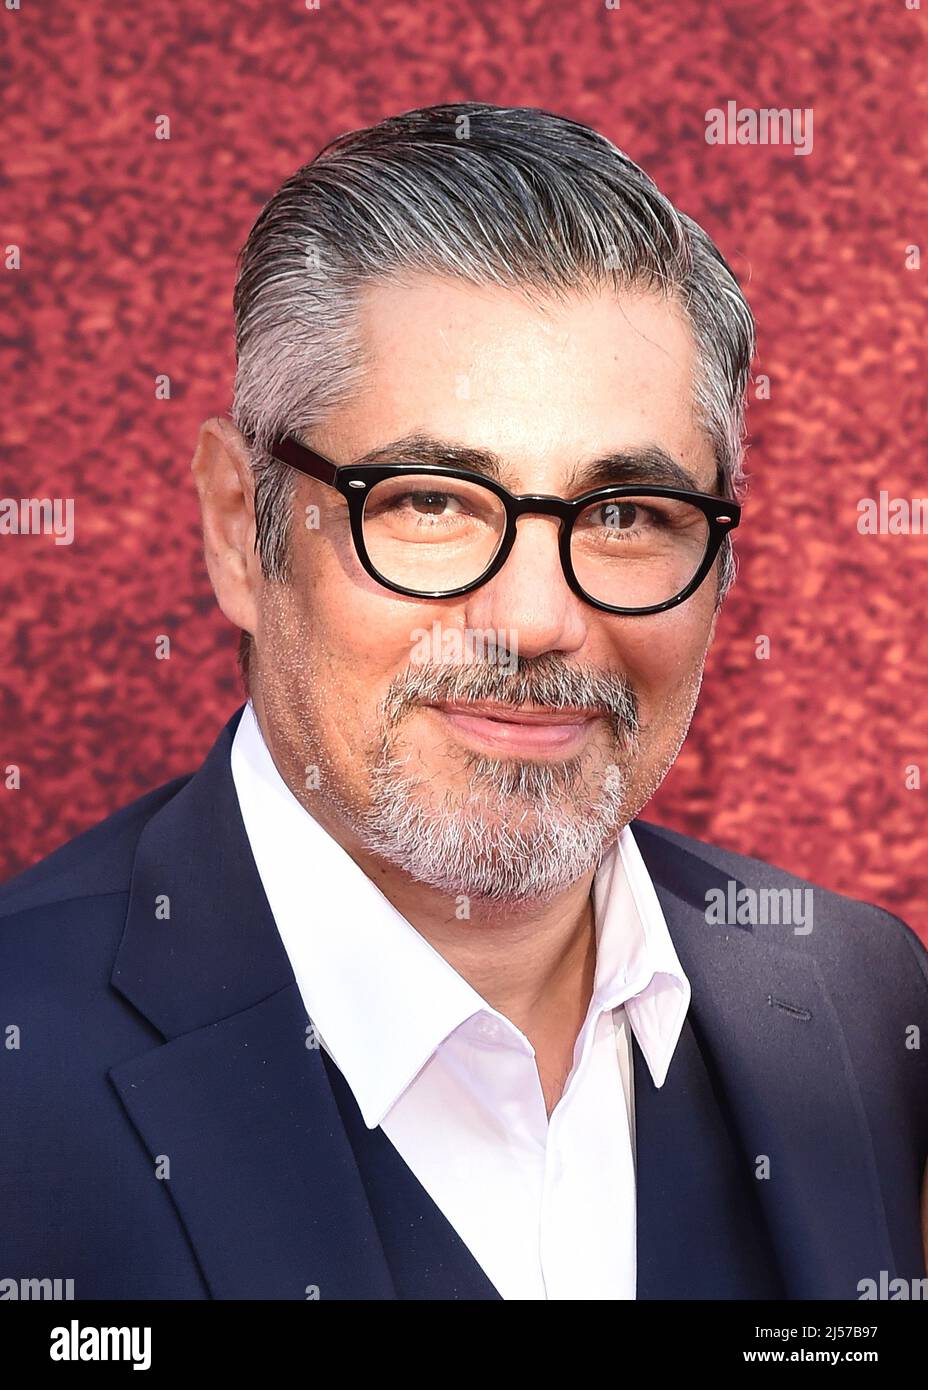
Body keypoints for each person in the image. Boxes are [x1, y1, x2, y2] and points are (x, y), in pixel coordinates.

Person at [2, 102, 926, 1301]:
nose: (537, 618)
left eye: (625, 514)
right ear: (241, 528)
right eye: (431, 501)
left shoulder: (865, 1001)